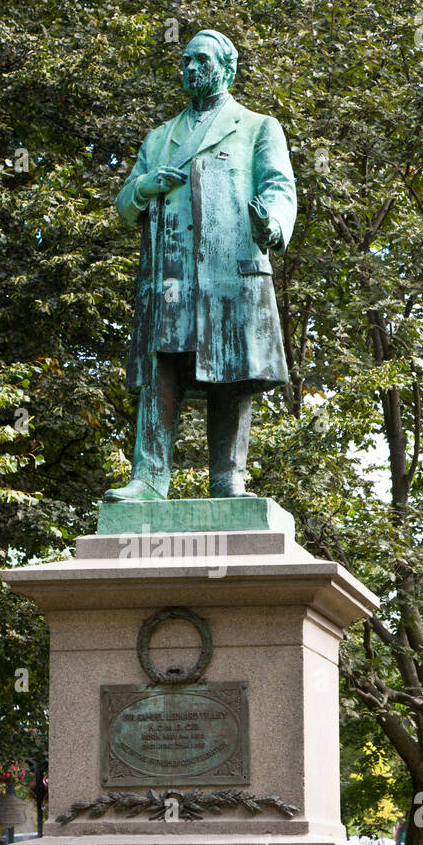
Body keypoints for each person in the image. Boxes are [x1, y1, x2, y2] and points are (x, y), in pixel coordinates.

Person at [105, 29, 297, 502]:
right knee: (162, 367)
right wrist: (147, 184)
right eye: (186, 61)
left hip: (230, 270)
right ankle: (147, 480)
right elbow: (125, 203)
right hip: (168, 273)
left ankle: (228, 479)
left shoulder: (256, 127)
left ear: (226, 69)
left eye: (201, 61)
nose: (191, 69)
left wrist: (271, 225)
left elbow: (279, 187)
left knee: (229, 367)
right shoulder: (158, 138)